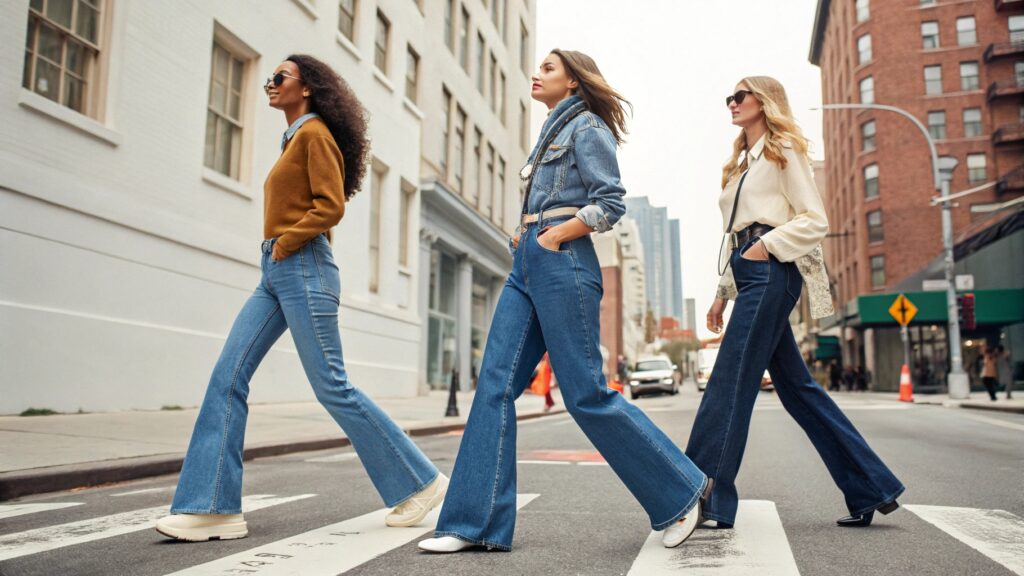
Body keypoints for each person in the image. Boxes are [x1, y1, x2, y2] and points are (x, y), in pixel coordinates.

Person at [418, 49, 710, 553]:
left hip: (565, 260)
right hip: (527, 264)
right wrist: (524, 236)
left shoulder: (587, 128)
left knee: (585, 392)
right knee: (494, 386)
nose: (538, 74)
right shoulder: (549, 133)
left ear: (574, 82)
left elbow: (610, 200)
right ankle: (473, 523)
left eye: (549, 68)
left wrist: (555, 236)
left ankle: (681, 491)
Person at [155, 55, 445, 541]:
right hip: (277, 270)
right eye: (270, 77)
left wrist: (287, 242)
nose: (270, 83)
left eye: (279, 77)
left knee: (332, 385)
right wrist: (277, 252)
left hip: (302, 265)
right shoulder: (291, 137)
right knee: (228, 378)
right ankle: (213, 508)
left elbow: (330, 206)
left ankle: (421, 482)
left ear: (306, 88)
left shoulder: (313, 134)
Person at [690, 76, 905, 529]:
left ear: (764, 101)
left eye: (741, 95)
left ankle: (703, 494)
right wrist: (720, 294)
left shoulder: (781, 149)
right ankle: (870, 486)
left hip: (771, 269)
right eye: (729, 96)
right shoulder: (740, 163)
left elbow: (814, 220)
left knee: (729, 378)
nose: (732, 102)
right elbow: (736, 232)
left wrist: (768, 246)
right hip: (748, 272)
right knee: (798, 389)